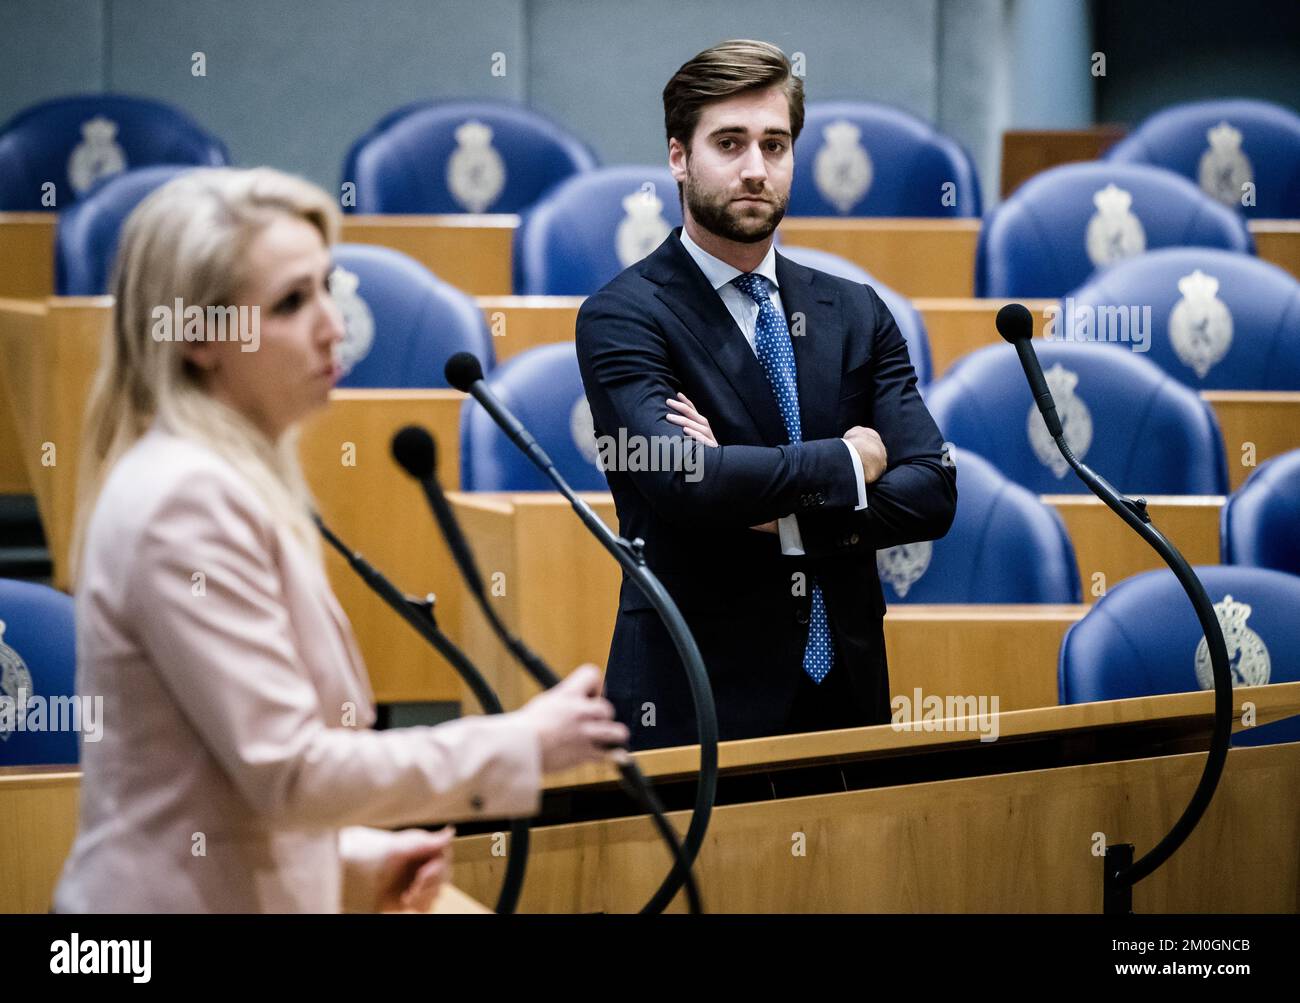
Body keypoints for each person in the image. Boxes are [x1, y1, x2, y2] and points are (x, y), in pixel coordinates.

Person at [54, 167, 627, 913]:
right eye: (292, 301)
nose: (334, 322)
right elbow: (288, 768)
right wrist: (520, 743)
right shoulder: (184, 501)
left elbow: (222, 778)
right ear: (199, 335)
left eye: (326, 285)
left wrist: (353, 853)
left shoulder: (229, 474)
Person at [575, 39, 957, 750]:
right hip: (694, 705)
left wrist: (769, 510)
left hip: (848, 693)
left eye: (775, 145)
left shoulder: (856, 311)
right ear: (679, 157)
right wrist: (847, 466)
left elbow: (933, 491)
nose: (756, 169)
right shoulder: (623, 315)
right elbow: (692, 484)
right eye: (730, 143)